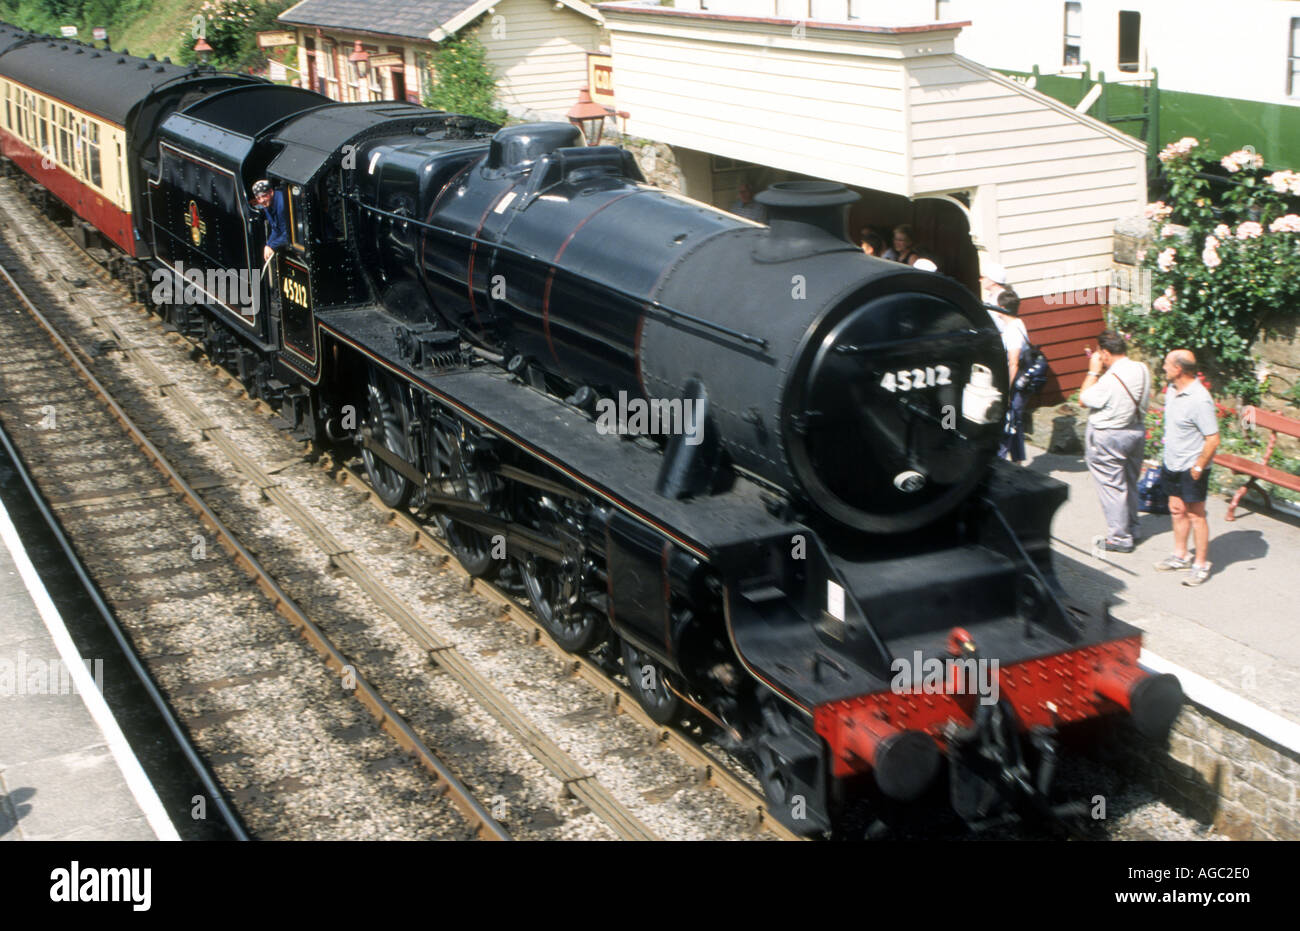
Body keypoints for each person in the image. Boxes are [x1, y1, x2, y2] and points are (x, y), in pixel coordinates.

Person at [1079, 330, 1151, 552]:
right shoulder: (1142, 369)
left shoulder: (1109, 380)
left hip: (1109, 435)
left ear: (1106, 353)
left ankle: (1119, 538)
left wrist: (1093, 371)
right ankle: (1132, 527)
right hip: (1136, 431)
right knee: (1130, 482)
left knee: (1112, 486)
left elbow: (1083, 399)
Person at [1154, 349, 1220, 585]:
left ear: (1178, 369)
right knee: (1176, 509)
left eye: (1167, 364)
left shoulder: (1199, 399)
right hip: (1172, 461)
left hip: (1192, 467)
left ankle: (1201, 564)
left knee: (1196, 514)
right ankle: (1180, 555)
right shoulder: (1173, 390)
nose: (1163, 367)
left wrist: (1200, 466)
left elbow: (1213, 438)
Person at [989, 289, 1029, 461]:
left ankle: (1001, 461)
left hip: (1016, 382)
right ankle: (1018, 461)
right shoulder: (1018, 323)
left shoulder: (1012, 330)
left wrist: (1006, 389)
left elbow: (1013, 363)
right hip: (1022, 382)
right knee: (1015, 421)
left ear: (1002, 308)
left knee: (1007, 422)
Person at [251, 178, 288, 265]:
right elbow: (275, 229)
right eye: (258, 198)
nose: (262, 200)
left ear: (271, 192)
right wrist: (268, 245)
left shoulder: (282, 205)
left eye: (264, 196)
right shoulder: (267, 204)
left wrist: (272, 246)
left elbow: (288, 234)